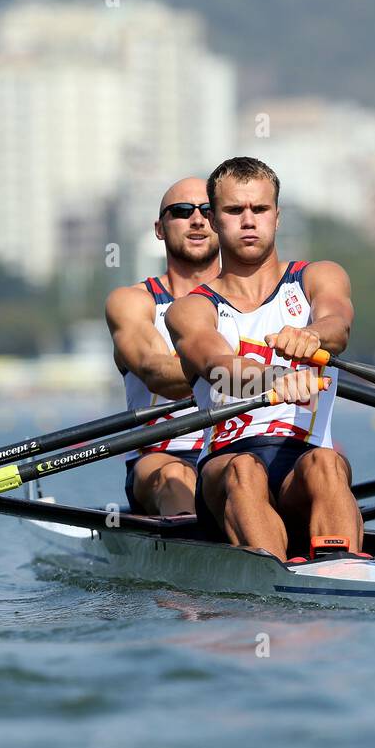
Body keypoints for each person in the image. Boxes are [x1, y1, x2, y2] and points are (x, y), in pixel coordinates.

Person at [166, 156, 362, 560]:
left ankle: (341, 569)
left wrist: (310, 336)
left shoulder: (318, 276)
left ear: (278, 215)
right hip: (226, 472)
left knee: (327, 462)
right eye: (235, 210)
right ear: (215, 221)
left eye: (260, 209)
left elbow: (337, 324)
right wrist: (274, 379)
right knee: (245, 471)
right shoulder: (190, 309)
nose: (249, 221)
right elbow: (217, 366)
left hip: (302, 472)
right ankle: (272, 583)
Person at [105, 178, 219, 515]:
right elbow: (157, 372)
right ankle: (198, 556)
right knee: (176, 475)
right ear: (160, 228)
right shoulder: (133, 302)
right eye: (182, 212)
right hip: (163, 457)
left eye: (209, 211)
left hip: (239, 450)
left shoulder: (252, 300)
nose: (197, 220)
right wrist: (242, 370)